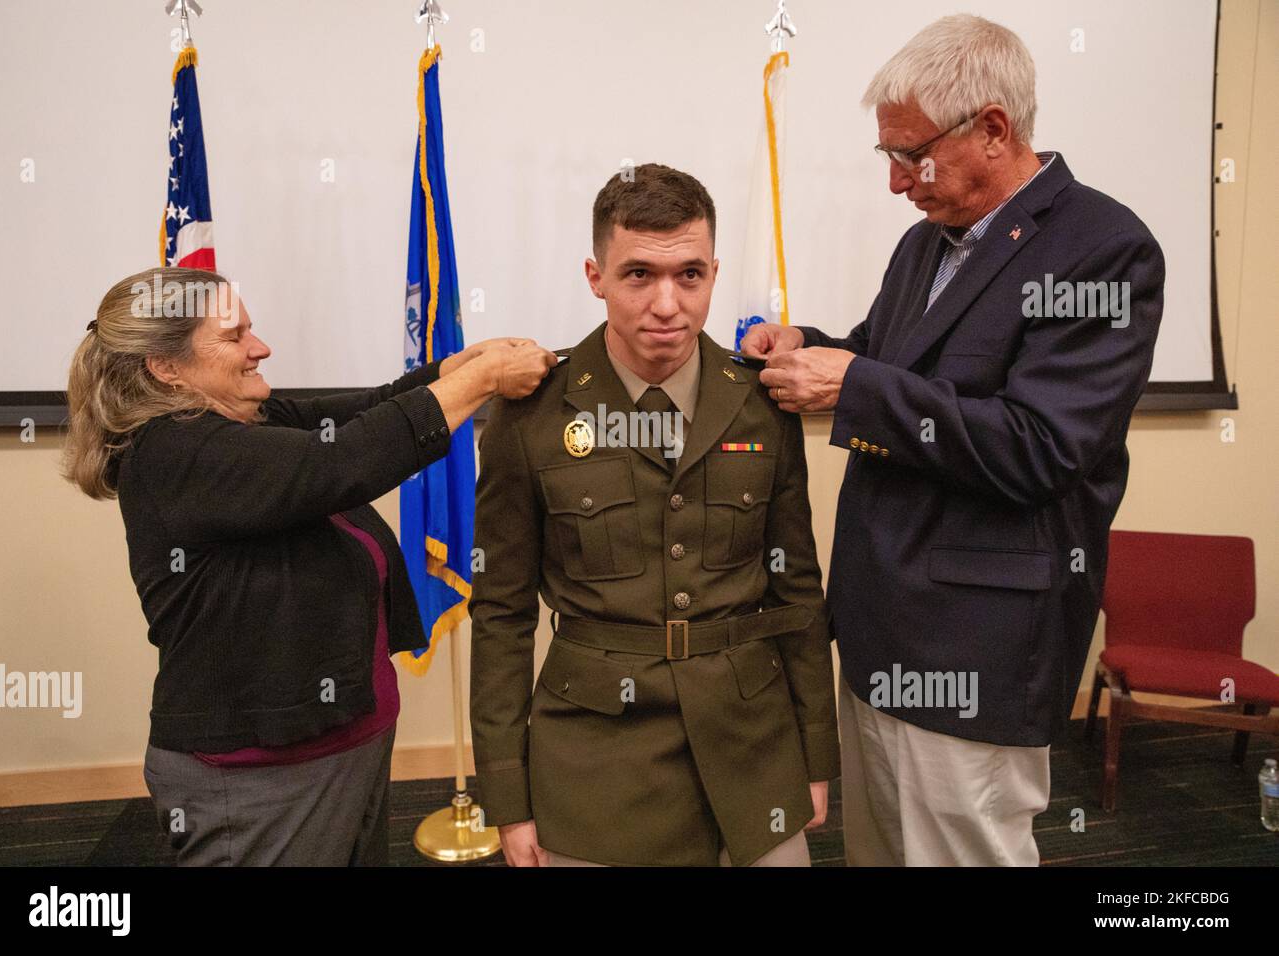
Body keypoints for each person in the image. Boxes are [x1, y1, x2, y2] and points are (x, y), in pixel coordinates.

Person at [744, 14, 1165, 866]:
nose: (897, 182)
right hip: (878, 632)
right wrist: (807, 345)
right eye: (886, 158)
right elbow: (893, 360)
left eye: (911, 156)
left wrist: (855, 385)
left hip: (974, 649)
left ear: (995, 129)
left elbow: (1040, 445)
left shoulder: (1105, 251)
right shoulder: (924, 244)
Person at [62, 266, 556, 865]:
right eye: (233, 336)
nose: (259, 347)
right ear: (165, 367)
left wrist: (452, 369)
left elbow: (362, 414)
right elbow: (345, 462)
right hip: (257, 779)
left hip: (342, 747)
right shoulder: (174, 452)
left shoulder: (240, 419)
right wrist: (483, 380)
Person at [469, 163, 839, 867]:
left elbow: (797, 594)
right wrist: (508, 797)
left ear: (713, 273)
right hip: (595, 763)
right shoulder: (534, 413)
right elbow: (502, 612)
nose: (668, 303)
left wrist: (815, 755)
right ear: (595, 275)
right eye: (639, 274)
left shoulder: (762, 403)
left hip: (752, 750)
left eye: (690, 275)